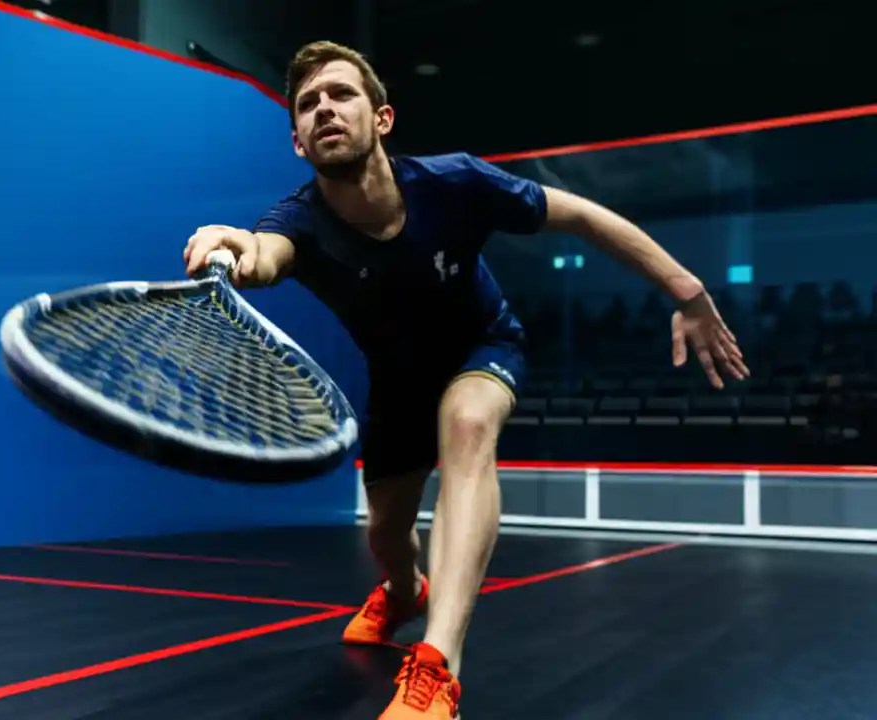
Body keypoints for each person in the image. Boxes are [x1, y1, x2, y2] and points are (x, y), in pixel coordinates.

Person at [183, 40, 749, 720]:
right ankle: (400, 591)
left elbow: (584, 216)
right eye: (308, 105)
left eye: (341, 94)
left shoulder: (455, 183)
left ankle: (437, 669)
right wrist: (236, 247)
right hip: (397, 383)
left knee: (468, 425)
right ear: (300, 142)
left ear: (382, 118)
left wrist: (688, 293)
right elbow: (265, 255)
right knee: (387, 534)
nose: (324, 109)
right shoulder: (297, 221)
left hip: (484, 347)